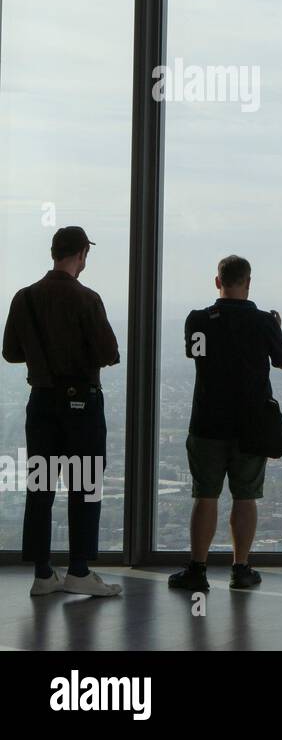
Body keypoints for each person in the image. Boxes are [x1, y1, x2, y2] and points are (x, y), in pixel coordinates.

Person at [2, 226, 122, 597]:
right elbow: (109, 354)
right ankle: (80, 571)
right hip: (81, 404)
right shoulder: (86, 298)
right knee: (84, 486)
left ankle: (42, 574)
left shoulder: (25, 298)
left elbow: (10, 352)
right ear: (82, 253)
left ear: (54, 252)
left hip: (41, 402)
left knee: (41, 487)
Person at [168, 255, 282, 593]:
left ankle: (198, 569)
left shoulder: (198, 320)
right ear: (248, 282)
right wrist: (276, 330)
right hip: (252, 423)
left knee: (205, 495)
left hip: (208, 420)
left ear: (217, 281)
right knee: (245, 495)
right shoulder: (263, 322)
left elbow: (197, 355)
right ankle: (241, 568)